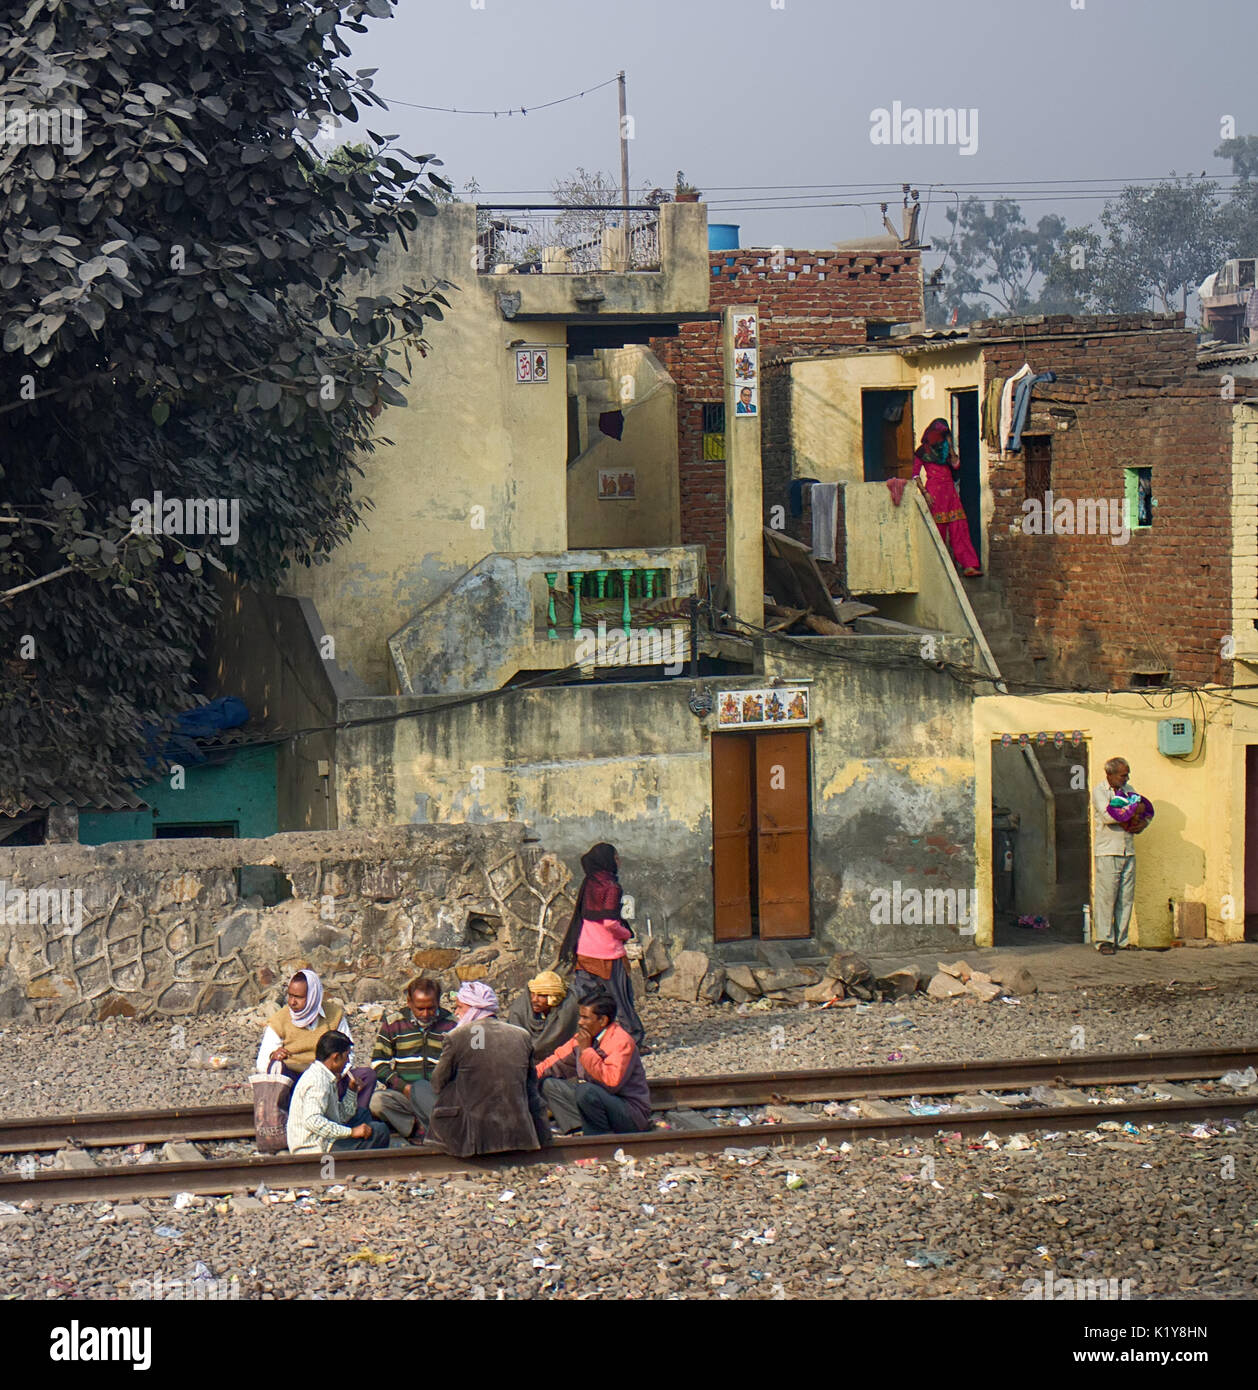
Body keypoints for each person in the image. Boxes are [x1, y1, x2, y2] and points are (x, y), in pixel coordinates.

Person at [426, 982, 551, 1157]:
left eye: (460, 1007)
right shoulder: (521, 1035)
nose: (456, 1013)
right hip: (519, 1130)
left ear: (473, 1008)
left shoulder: (457, 1036)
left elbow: (437, 1083)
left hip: (474, 1135)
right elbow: (530, 1083)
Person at [557, 842, 646, 1047]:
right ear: (609, 860)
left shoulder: (589, 883)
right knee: (620, 1000)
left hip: (585, 952)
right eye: (616, 858)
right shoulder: (611, 887)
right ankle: (633, 1041)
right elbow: (610, 923)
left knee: (587, 1002)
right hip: (608, 954)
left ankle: (587, 1041)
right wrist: (627, 934)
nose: (619, 862)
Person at [254, 969, 375, 1112]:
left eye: (298, 997)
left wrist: (335, 1076)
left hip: (330, 1079)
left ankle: (353, 1119)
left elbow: (348, 1052)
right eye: (290, 995)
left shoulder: (334, 1015)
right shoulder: (279, 1020)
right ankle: (291, 1119)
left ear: (313, 996)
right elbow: (262, 1063)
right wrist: (274, 1057)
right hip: (296, 1082)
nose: (292, 1002)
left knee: (367, 1075)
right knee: (277, 1069)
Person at [536, 991, 651, 1137]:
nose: (580, 1022)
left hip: (629, 1112)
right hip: (600, 1102)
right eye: (580, 1017)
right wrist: (526, 1078)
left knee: (586, 1091)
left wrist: (587, 1051)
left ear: (602, 1021)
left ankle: (599, 1135)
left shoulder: (621, 1041)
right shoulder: (583, 1038)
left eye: (585, 1018)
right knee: (549, 1084)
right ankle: (577, 1129)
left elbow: (611, 1082)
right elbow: (554, 1062)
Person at [368, 976, 457, 1140]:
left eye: (431, 1008)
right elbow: (379, 1063)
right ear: (409, 1002)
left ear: (438, 1002)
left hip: (438, 1096)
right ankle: (415, 1128)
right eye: (420, 1009)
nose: (425, 1014)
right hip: (405, 1095)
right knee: (377, 1102)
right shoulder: (394, 1023)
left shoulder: (451, 1025)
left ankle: (437, 1129)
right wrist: (403, 1087)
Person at [286, 1031, 389, 1154]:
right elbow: (312, 1120)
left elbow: (340, 1116)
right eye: (346, 1056)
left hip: (324, 1139)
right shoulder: (318, 1081)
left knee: (363, 1114)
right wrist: (352, 1132)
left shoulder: (325, 1075)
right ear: (336, 1057)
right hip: (315, 1147)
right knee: (380, 1131)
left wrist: (352, 1091)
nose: (347, 1062)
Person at [1091, 756, 1154, 954]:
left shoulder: (1129, 791)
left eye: (1127, 775)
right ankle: (1104, 940)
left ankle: (1122, 940)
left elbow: (1144, 812)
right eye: (1122, 775)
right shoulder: (1100, 791)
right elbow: (1109, 816)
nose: (1126, 778)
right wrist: (1132, 811)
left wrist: (1141, 822)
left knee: (1126, 897)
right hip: (1108, 850)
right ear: (1109, 774)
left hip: (1128, 849)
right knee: (1106, 897)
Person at [913, 418, 982, 577]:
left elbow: (956, 465)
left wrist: (950, 447)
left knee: (960, 527)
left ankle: (969, 565)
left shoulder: (945, 450)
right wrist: (925, 493)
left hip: (950, 492)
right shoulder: (922, 452)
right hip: (934, 494)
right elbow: (915, 474)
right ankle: (939, 569)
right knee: (938, 531)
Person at [506, 971, 580, 1061]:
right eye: (532, 993)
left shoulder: (565, 1015)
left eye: (542, 996)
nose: (534, 999)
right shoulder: (519, 1011)